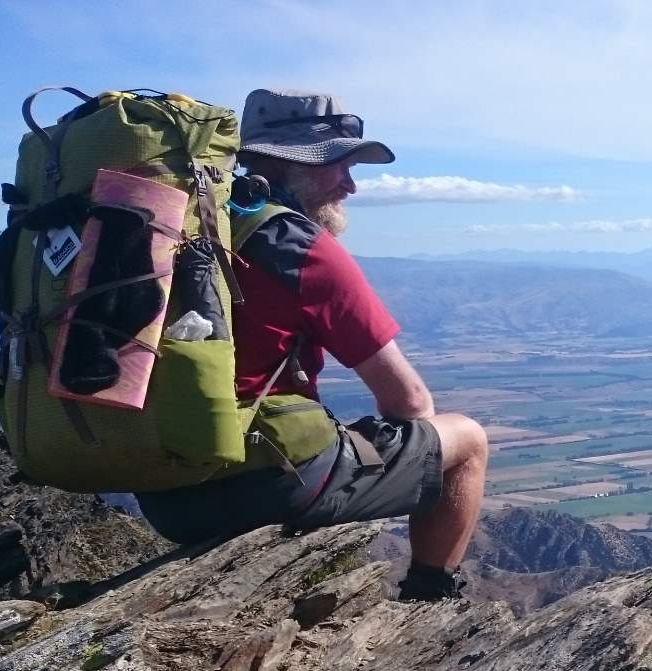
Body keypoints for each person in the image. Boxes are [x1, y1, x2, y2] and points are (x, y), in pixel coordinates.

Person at [133, 89, 488, 601]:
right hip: (262, 486)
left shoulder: (174, 231)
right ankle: (429, 596)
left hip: (164, 492)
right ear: (286, 165)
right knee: (467, 439)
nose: (350, 184)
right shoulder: (299, 249)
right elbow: (410, 404)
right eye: (338, 164)